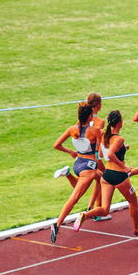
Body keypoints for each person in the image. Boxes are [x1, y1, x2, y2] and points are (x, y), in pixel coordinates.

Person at [74, 110, 138, 238]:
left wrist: (123, 148)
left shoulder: (105, 137)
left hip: (106, 176)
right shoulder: (119, 139)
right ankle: (137, 230)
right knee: (133, 202)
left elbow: (101, 154)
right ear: (119, 123)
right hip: (119, 176)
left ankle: (85, 215)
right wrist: (124, 167)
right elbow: (110, 154)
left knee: (104, 210)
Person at [50, 102, 103, 244]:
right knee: (74, 198)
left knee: (101, 179)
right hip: (88, 167)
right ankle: (57, 224)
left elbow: (56, 145)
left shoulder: (72, 129)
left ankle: (91, 208)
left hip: (78, 163)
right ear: (90, 116)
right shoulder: (95, 130)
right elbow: (99, 153)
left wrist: (71, 152)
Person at [53, 92, 107, 220]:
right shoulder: (100, 122)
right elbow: (98, 142)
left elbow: (78, 130)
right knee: (104, 179)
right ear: (99, 105)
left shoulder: (81, 120)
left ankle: (68, 174)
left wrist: (71, 151)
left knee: (83, 183)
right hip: (92, 157)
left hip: (80, 157)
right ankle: (94, 209)